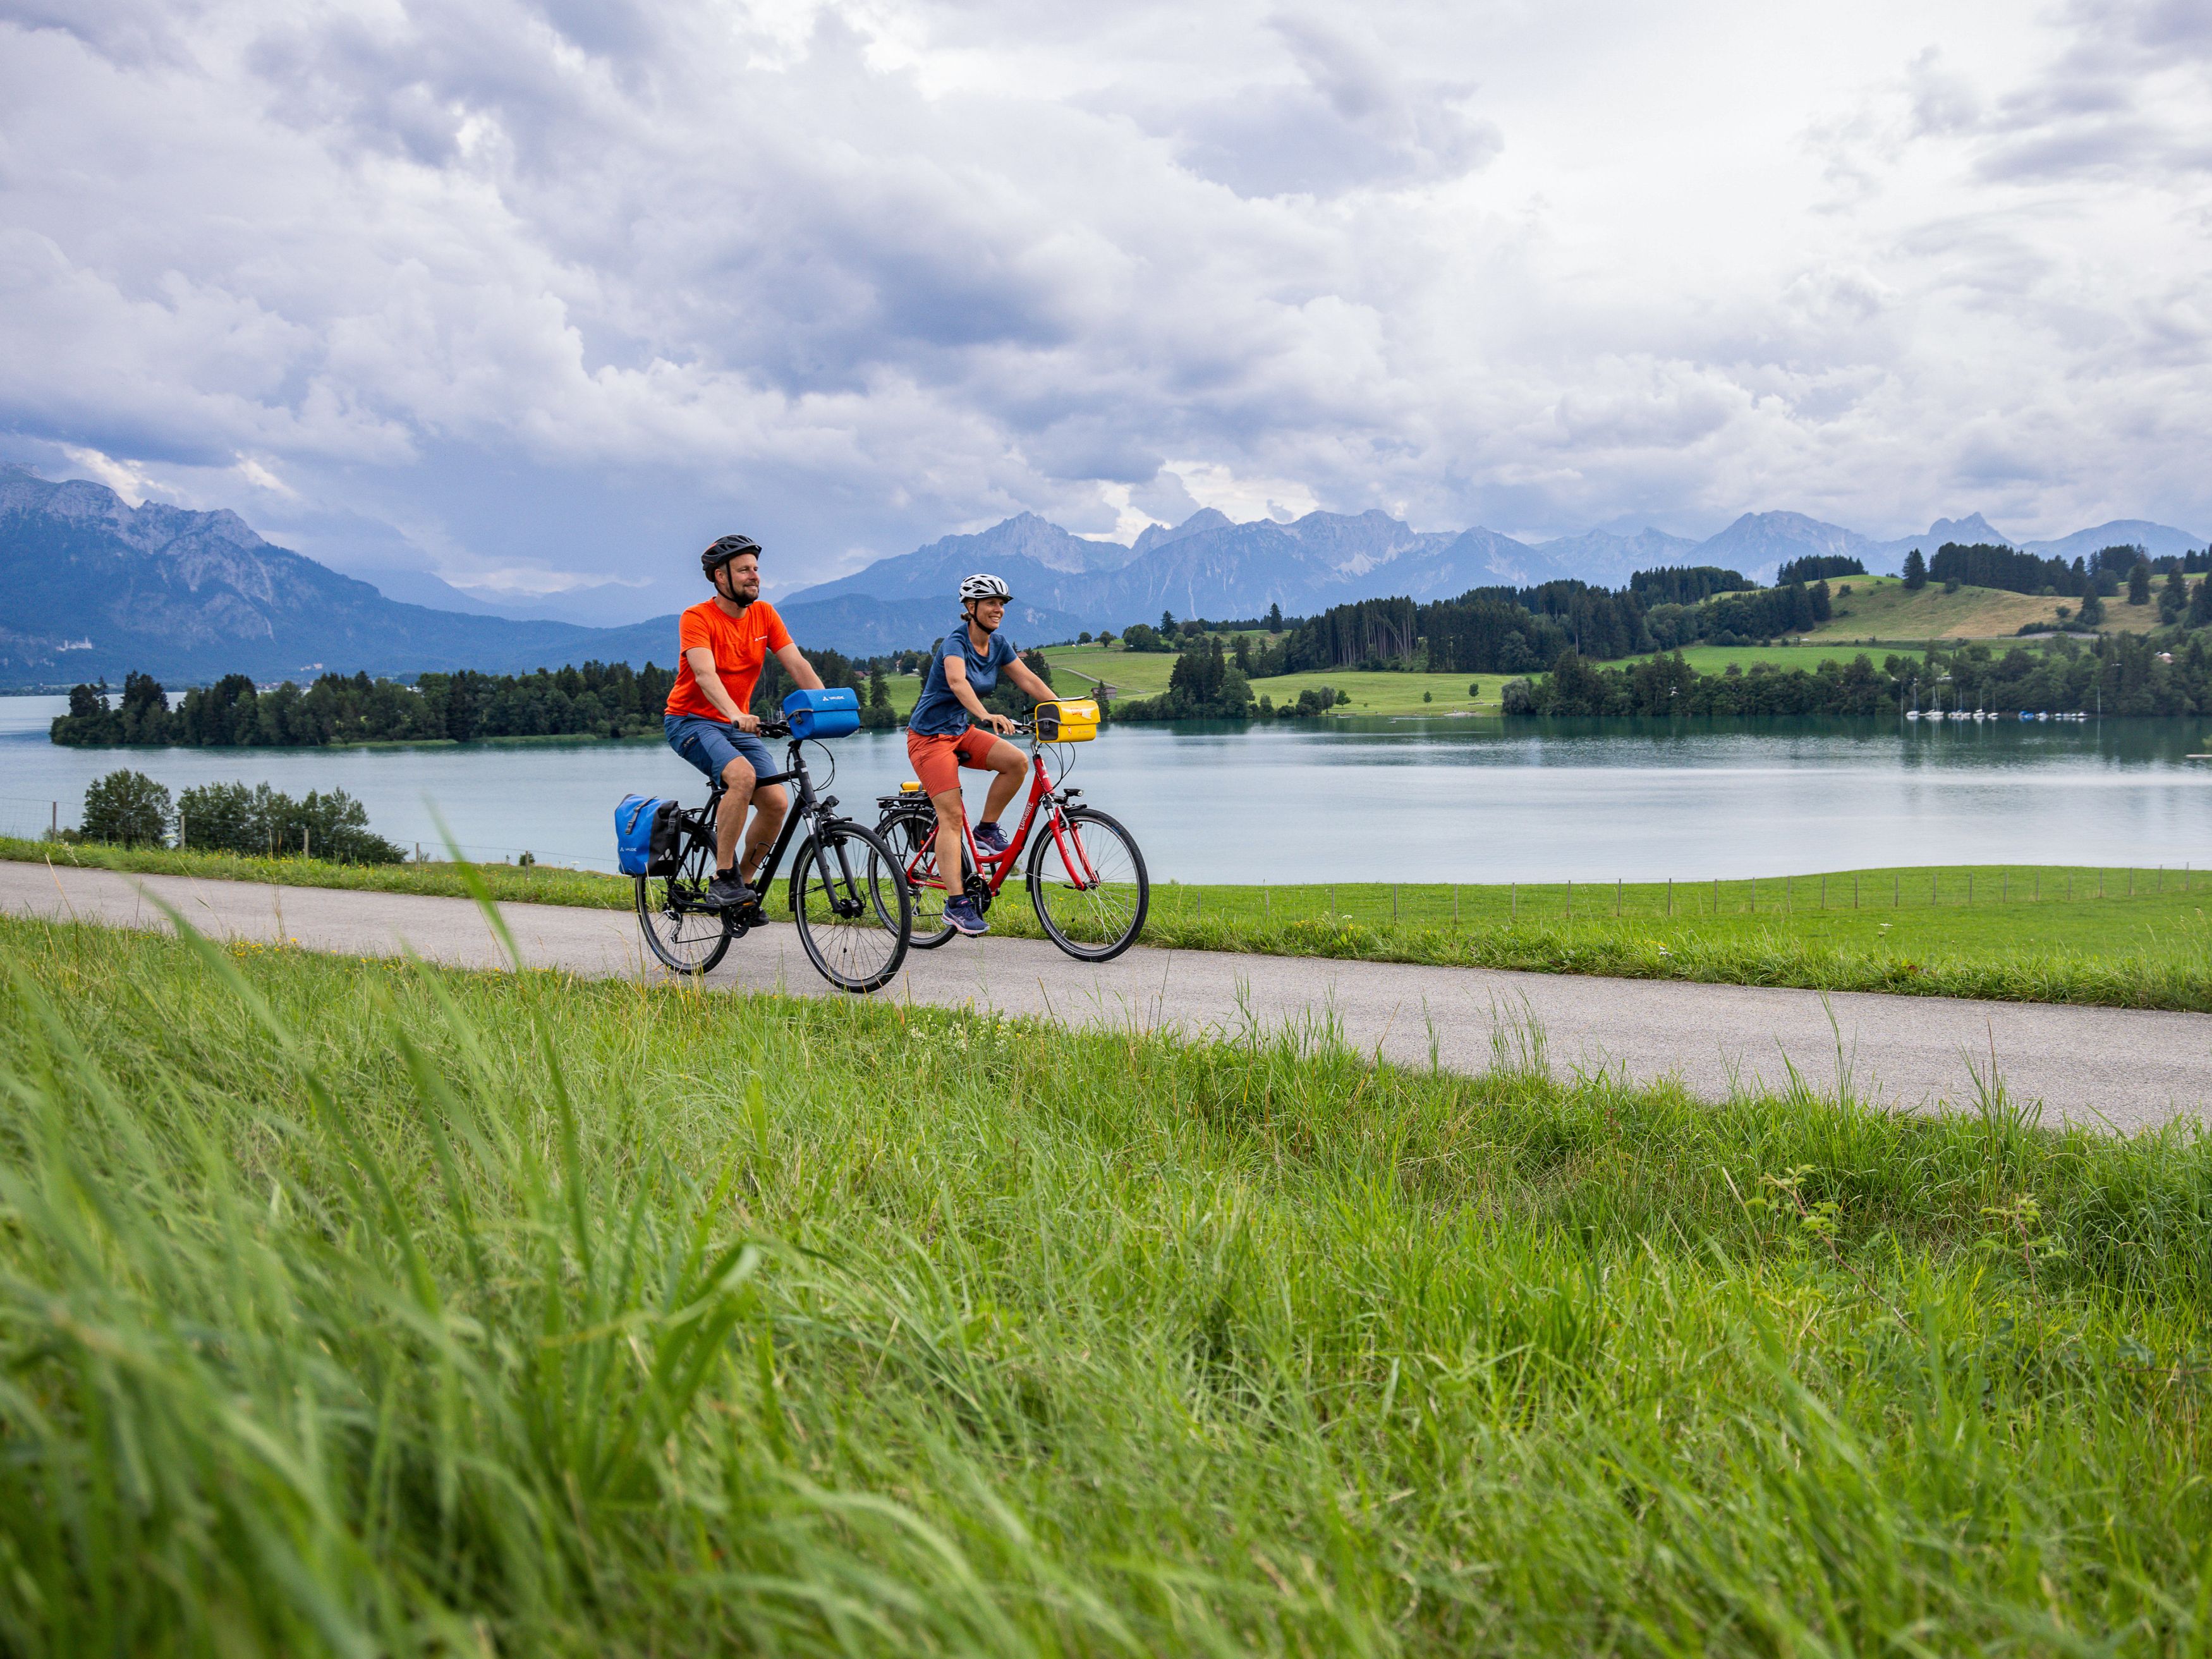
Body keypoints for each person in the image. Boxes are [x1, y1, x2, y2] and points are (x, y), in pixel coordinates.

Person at [664, 534, 826, 910]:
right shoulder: (697, 617)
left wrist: (826, 707)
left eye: (756, 569)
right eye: (744, 570)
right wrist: (735, 712)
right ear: (721, 577)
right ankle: (723, 877)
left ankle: (743, 890)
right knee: (741, 776)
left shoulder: (764, 614)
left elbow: (797, 664)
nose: (754, 576)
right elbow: (705, 675)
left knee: (775, 803)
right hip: (691, 721)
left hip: (735, 726)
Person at [906, 573, 1056, 935]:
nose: (998, 609)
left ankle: (987, 828)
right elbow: (958, 683)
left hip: (960, 732)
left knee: (1015, 762)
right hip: (928, 738)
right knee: (951, 815)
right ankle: (956, 904)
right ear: (970, 608)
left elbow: (1029, 680)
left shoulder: (999, 644)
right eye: (991, 602)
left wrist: (1061, 707)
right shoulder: (954, 644)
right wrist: (986, 715)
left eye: (1002, 603)